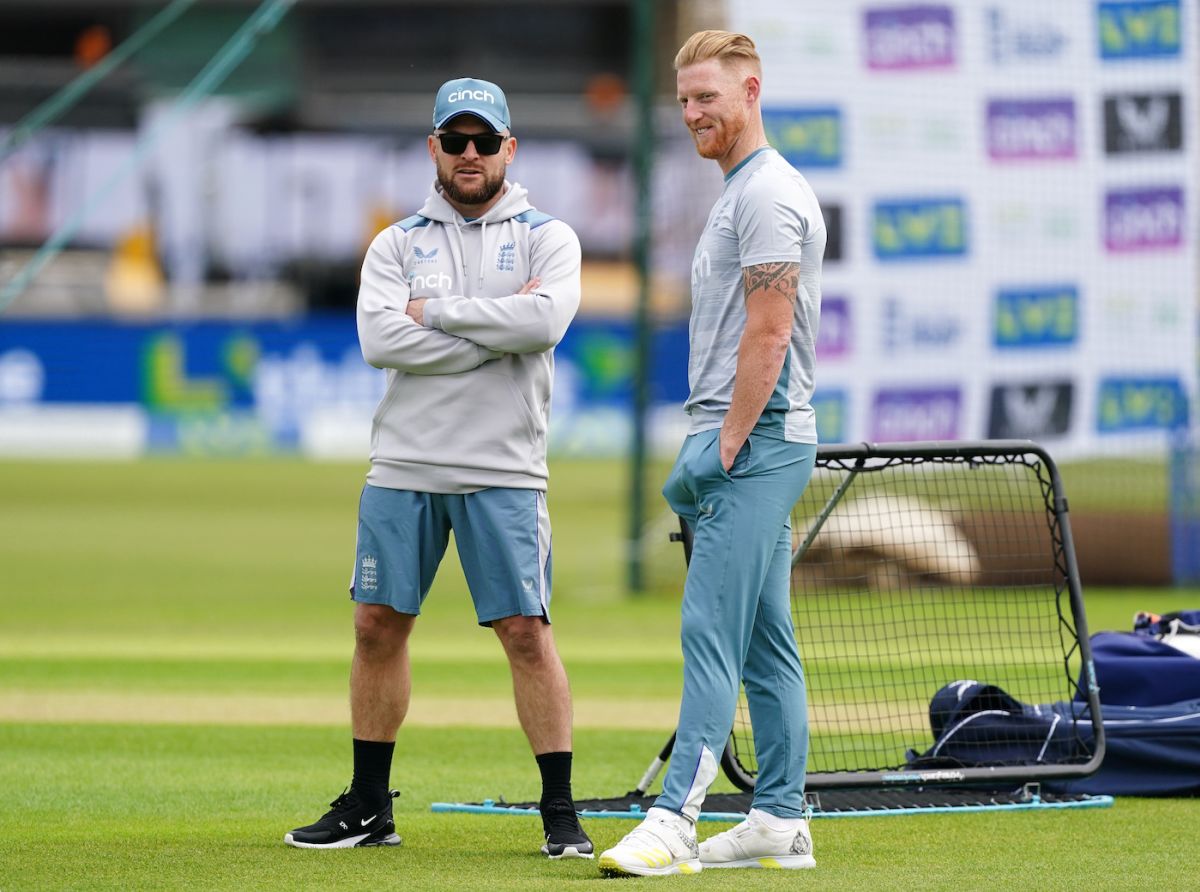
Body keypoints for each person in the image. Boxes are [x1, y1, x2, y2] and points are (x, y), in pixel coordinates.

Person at [285, 77, 593, 860]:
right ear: (433, 148)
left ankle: (559, 809)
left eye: (483, 141)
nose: (468, 154)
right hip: (404, 464)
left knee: (526, 631)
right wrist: (499, 331)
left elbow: (546, 320)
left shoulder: (546, 237)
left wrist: (443, 314)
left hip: (505, 467)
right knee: (376, 625)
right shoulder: (395, 243)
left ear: (508, 150)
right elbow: (381, 342)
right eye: (454, 140)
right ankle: (368, 806)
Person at [597, 31, 825, 877]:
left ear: (751, 91)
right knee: (765, 638)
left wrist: (721, 448)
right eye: (684, 99)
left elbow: (768, 335)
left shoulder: (765, 195)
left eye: (708, 98)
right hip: (755, 439)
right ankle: (780, 821)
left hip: (755, 441)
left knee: (710, 631)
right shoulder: (746, 191)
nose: (693, 113)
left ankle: (672, 821)